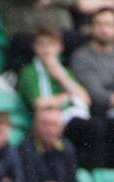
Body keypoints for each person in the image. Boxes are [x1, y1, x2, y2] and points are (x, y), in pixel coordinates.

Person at [17, 27, 100, 168]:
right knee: (89, 127)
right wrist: (67, 96)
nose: (46, 49)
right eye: (41, 44)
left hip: (72, 117)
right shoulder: (29, 71)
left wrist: (60, 75)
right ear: (35, 47)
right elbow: (39, 103)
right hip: (49, 119)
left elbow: (85, 99)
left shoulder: (65, 71)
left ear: (60, 47)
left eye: (51, 45)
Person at [71, 6, 114, 166]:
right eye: (100, 24)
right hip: (95, 112)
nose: (104, 29)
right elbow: (96, 93)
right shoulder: (81, 56)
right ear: (92, 27)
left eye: (109, 25)